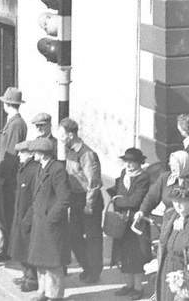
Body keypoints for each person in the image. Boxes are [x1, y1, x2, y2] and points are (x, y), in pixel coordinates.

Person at [58, 117, 102, 285]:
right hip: (76, 198)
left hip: (89, 199)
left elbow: (93, 183)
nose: (60, 138)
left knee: (92, 238)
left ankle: (94, 272)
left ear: (70, 135)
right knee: (74, 236)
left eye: (62, 134)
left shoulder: (86, 154)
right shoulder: (70, 150)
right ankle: (87, 266)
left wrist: (89, 205)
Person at [28, 136, 72, 301]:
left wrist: (51, 218)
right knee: (40, 260)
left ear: (43, 153)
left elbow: (64, 198)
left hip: (52, 224)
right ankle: (43, 291)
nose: (33, 154)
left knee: (53, 262)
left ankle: (55, 295)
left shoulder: (57, 170)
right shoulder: (41, 167)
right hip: (40, 222)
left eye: (35, 152)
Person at [109, 147, 153, 299]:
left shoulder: (143, 178)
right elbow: (119, 193)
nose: (128, 165)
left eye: (132, 162)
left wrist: (118, 201)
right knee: (125, 254)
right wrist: (121, 200)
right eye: (126, 161)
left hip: (137, 222)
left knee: (137, 255)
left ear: (139, 163)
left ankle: (138, 288)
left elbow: (135, 200)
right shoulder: (124, 174)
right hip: (123, 221)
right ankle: (129, 285)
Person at [0, 87, 28, 257]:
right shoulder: (13, 122)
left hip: (9, 176)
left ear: (7, 104)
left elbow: (11, 152)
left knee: (7, 212)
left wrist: (2, 175)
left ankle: (7, 249)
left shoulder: (16, 124)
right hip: (7, 174)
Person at [11, 139, 40, 292]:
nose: (19, 155)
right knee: (21, 247)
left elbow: (36, 197)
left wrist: (28, 217)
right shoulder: (23, 168)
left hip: (28, 216)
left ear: (31, 154)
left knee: (28, 248)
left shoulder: (34, 170)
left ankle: (32, 280)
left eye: (22, 152)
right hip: (20, 214)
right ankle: (26, 274)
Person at [157, 185, 189, 301]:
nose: (178, 206)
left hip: (183, 272)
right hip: (168, 269)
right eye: (175, 201)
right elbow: (163, 243)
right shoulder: (171, 216)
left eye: (182, 202)